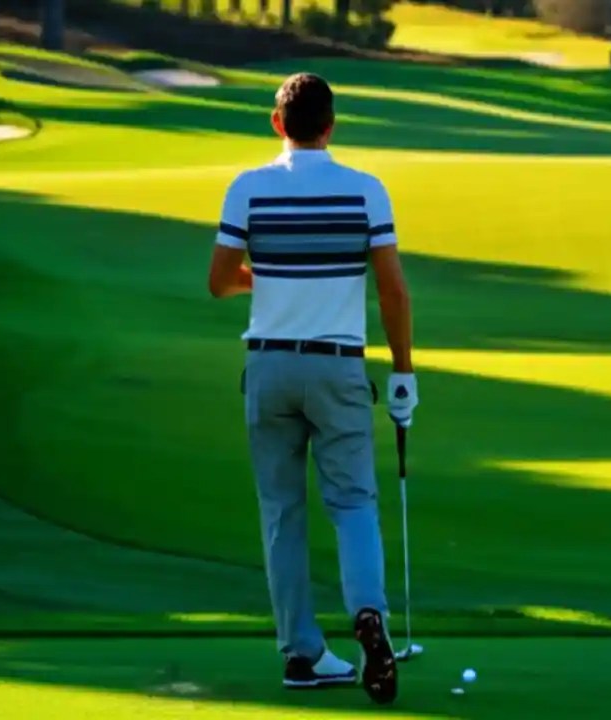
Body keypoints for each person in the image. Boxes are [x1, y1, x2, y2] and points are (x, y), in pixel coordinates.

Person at [207, 72, 417, 706]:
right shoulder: (366, 191)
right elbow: (391, 291)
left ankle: (303, 655)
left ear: (278, 125)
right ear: (331, 125)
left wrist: (270, 280)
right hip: (338, 368)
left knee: (282, 512)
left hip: (269, 369)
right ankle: (368, 618)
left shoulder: (248, 188)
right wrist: (403, 369)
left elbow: (220, 282)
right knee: (352, 503)